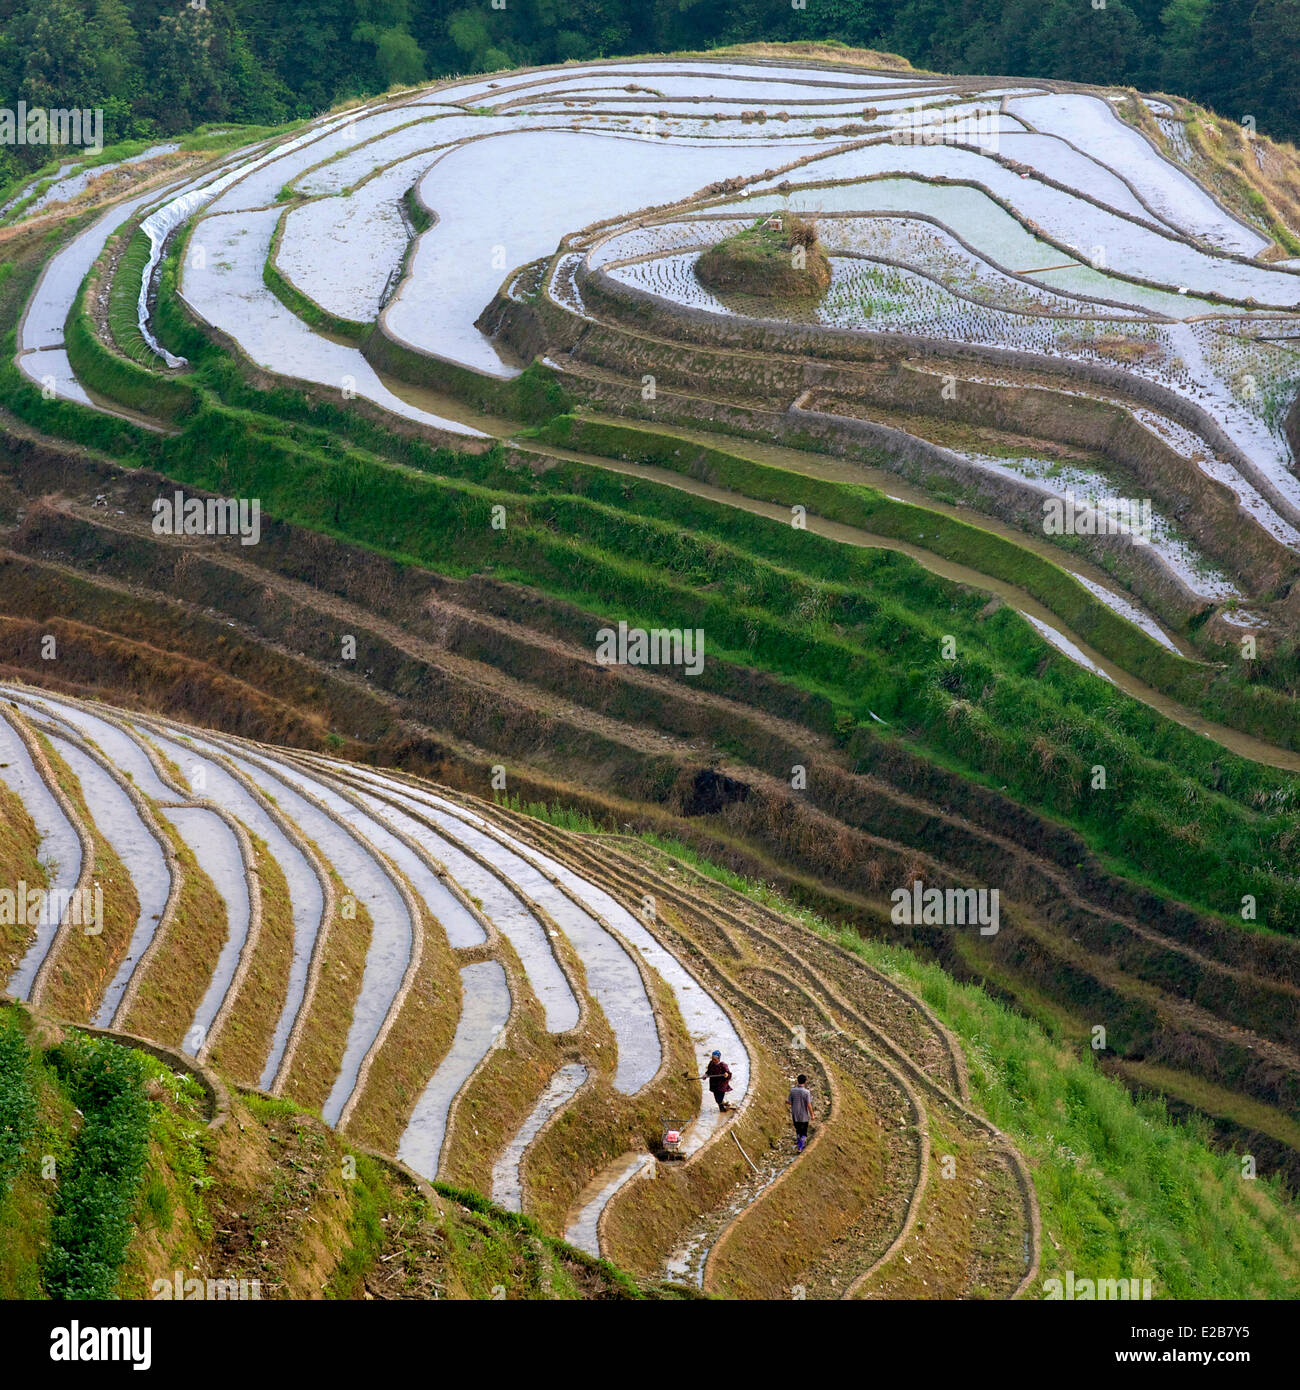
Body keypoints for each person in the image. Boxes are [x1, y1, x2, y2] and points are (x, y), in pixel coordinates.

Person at [789, 1074, 814, 1151]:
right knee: (804, 1132)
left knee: (798, 1130)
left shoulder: (792, 1091)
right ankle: (800, 1147)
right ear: (805, 1082)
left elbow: (790, 1102)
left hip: (795, 1115)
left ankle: (799, 1144)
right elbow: (809, 1105)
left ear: (798, 1081)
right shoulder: (806, 1092)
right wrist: (812, 1115)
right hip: (804, 1116)